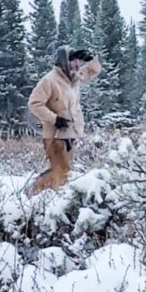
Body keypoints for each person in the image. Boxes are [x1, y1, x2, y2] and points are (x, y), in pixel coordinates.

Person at [26, 46, 102, 195]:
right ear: (64, 62)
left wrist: (89, 58)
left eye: (77, 61)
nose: (77, 64)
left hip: (70, 133)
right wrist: (54, 119)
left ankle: (50, 197)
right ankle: (32, 192)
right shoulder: (49, 80)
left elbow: (95, 70)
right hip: (54, 135)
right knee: (61, 170)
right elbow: (34, 103)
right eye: (73, 61)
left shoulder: (74, 78)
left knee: (63, 171)